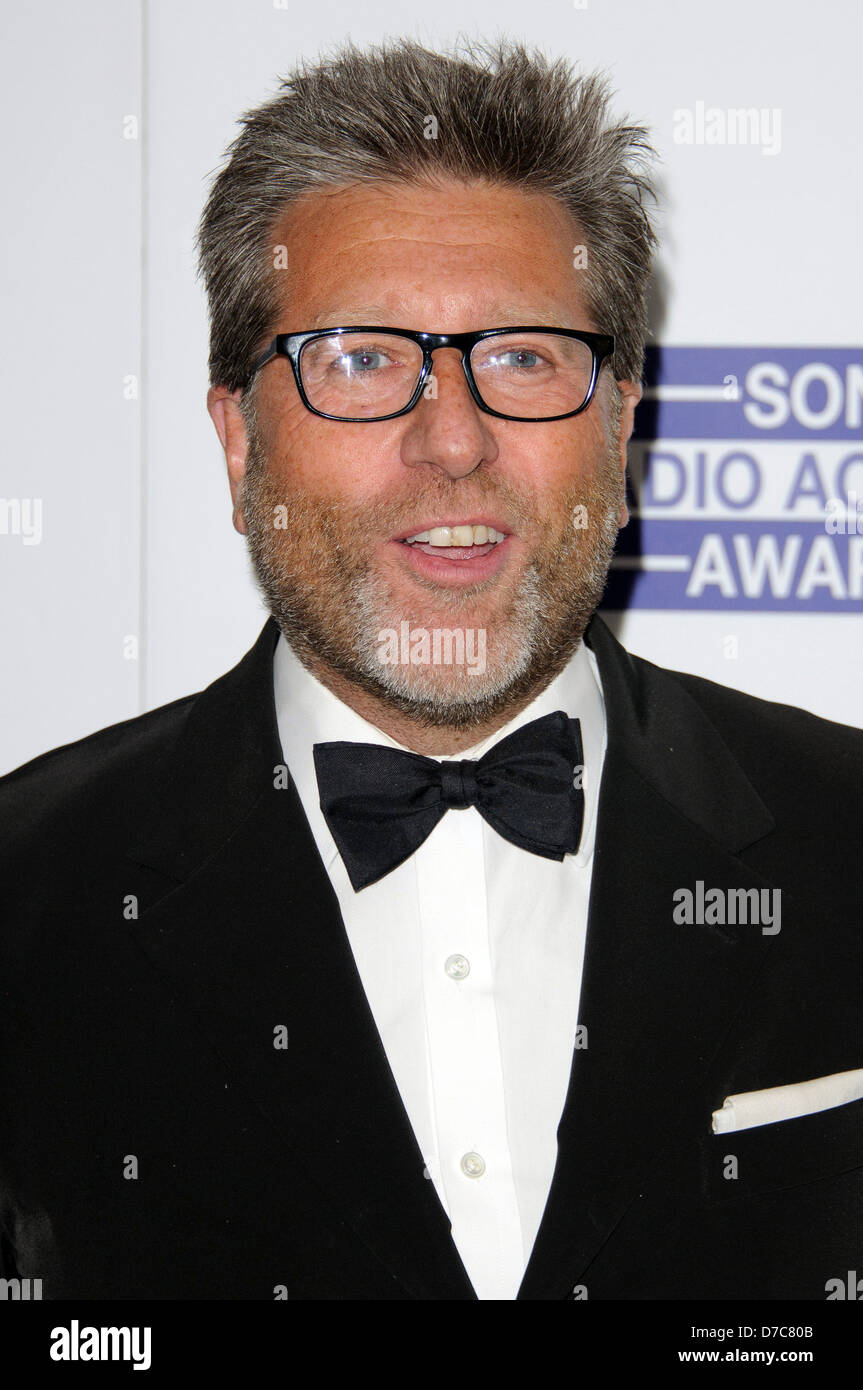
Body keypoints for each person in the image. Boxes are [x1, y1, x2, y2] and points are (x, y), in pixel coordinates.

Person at [1, 38, 862, 1302]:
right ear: (240, 446)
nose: (452, 441)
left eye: (521, 357)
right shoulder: (27, 896)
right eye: (358, 359)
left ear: (619, 429)